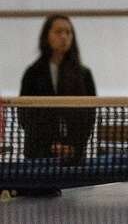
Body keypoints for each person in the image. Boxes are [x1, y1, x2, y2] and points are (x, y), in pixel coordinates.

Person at [18, 15, 97, 163]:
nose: (64, 37)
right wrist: (50, 145)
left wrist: (72, 145)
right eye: (58, 31)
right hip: (38, 153)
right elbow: (25, 115)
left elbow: (89, 116)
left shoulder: (84, 74)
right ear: (46, 36)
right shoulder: (32, 73)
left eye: (68, 32)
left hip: (73, 155)